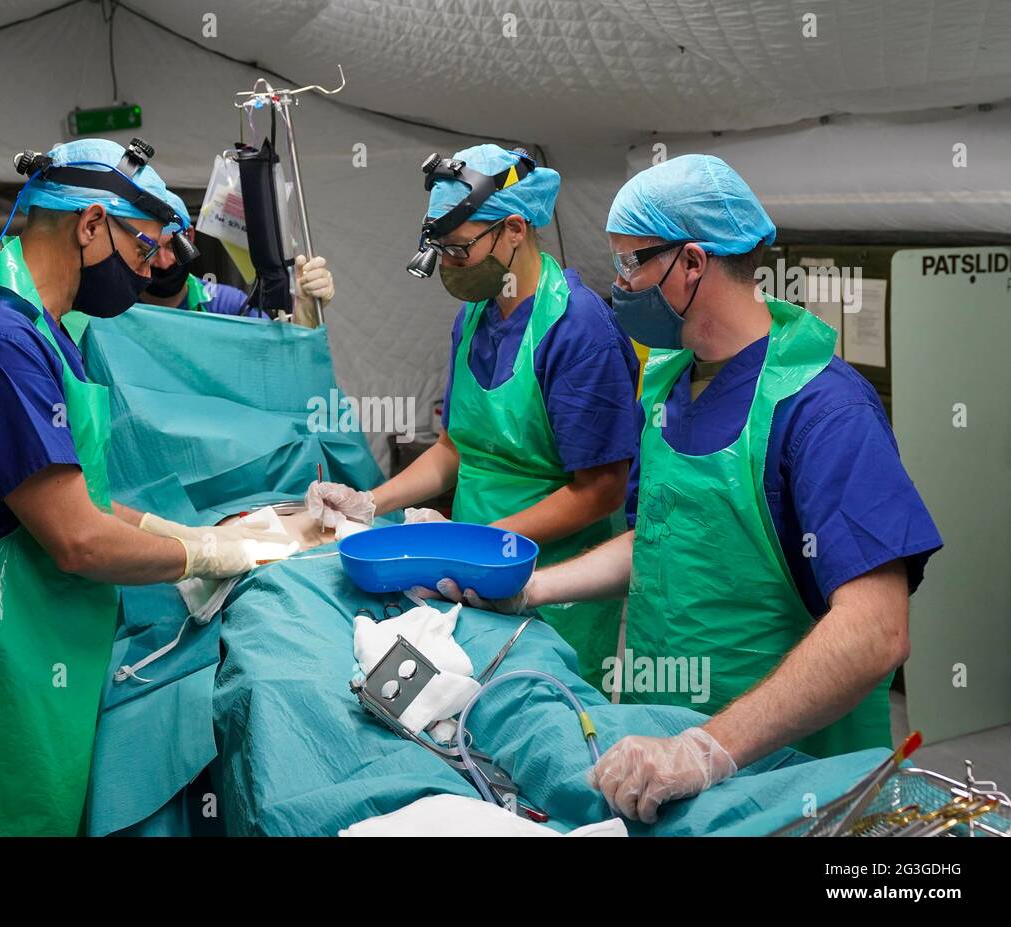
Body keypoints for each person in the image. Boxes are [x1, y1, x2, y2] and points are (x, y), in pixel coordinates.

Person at [436, 154, 942, 822]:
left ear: (693, 263)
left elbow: (876, 631)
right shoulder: (671, 383)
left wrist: (707, 747)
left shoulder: (821, 409)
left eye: (631, 264)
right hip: (662, 757)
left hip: (787, 780)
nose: (618, 285)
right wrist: (532, 586)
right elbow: (657, 542)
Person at [0, 138, 286, 836]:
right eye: (144, 249)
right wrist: (214, 556)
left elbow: (79, 498)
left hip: (25, 652)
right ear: (92, 225)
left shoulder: (41, 330)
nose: (154, 268)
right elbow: (76, 539)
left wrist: (185, 534)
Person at [308, 144, 641, 688]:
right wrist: (372, 501)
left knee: (537, 721)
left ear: (514, 228)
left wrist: (477, 545)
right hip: (469, 574)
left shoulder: (578, 331)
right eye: (442, 251)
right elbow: (454, 448)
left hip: (551, 588)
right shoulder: (475, 318)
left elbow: (601, 490)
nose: (451, 267)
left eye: (460, 250)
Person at [137, 189, 335, 319]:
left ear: (190, 237)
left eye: (174, 247)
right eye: (150, 249)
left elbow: (277, 357)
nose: (163, 262)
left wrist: (305, 313)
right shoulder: (115, 308)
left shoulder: (227, 305)